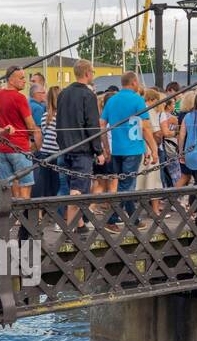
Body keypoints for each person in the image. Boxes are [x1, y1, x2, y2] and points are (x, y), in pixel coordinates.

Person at [100, 71, 155, 227]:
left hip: (116, 149)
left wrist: (106, 147)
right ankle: (111, 220)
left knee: (125, 184)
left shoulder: (112, 100)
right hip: (133, 149)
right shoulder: (138, 100)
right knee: (127, 186)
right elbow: (144, 128)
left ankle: (134, 219)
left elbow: (102, 125)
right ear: (134, 82)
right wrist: (153, 149)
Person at [54, 60, 101, 228]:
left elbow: (58, 121)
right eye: (93, 72)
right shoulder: (88, 95)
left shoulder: (63, 93)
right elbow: (92, 125)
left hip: (65, 148)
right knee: (78, 190)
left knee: (69, 187)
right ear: (88, 73)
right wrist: (99, 150)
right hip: (82, 149)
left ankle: (79, 225)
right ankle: (70, 230)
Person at [0, 66, 40, 200]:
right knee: (25, 186)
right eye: (21, 78)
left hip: (3, 147)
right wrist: (36, 134)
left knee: (9, 186)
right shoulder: (20, 98)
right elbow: (30, 125)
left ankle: (13, 218)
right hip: (19, 147)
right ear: (11, 80)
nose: (25, 81)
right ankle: (23, 219)